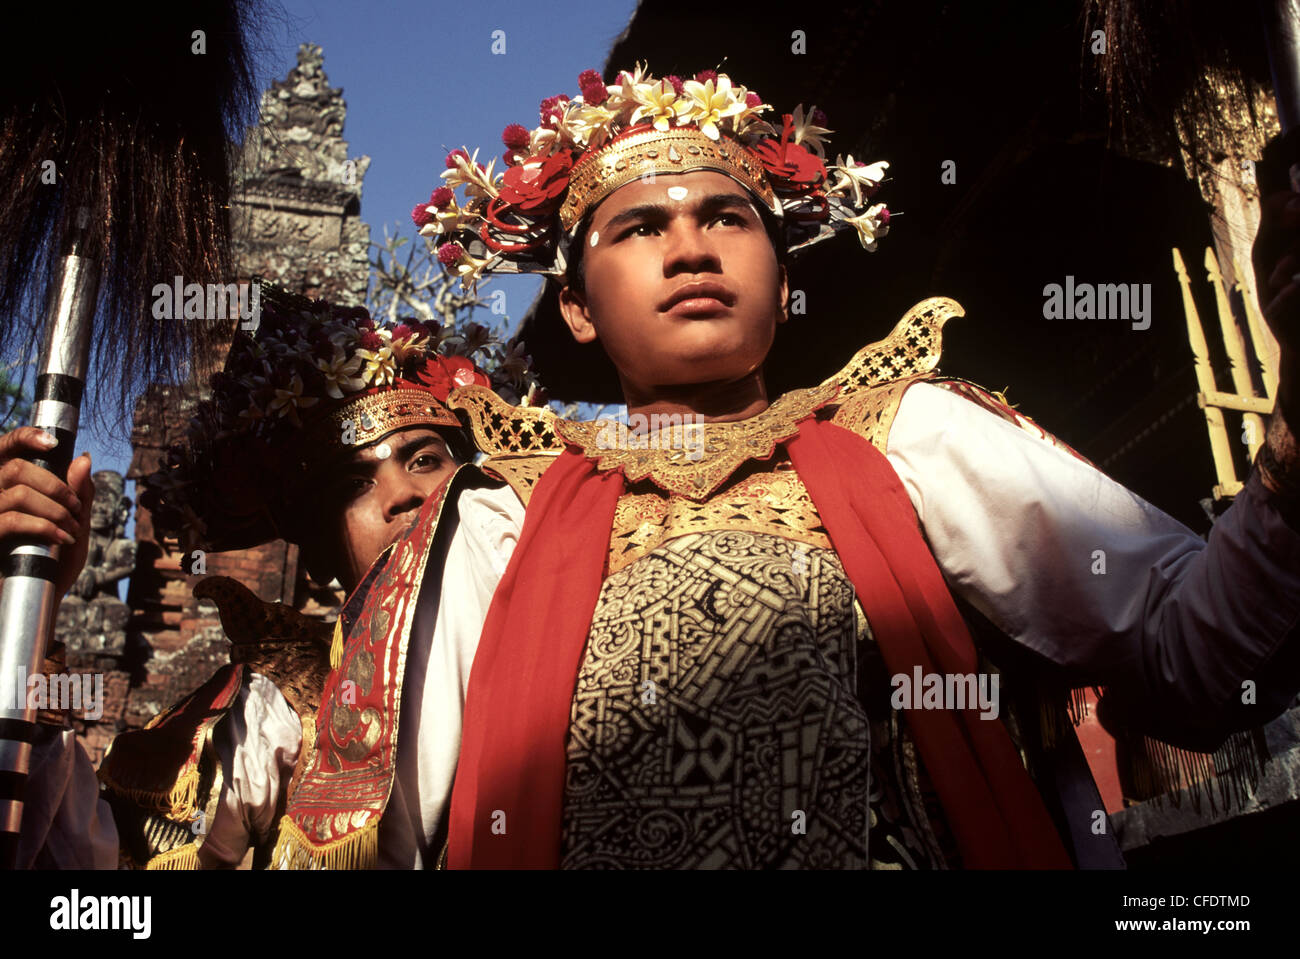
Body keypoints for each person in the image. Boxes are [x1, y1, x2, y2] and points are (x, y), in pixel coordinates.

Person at [260, 66, 1300, 869]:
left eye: (725, 216)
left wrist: (1293, 444)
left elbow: (1193, 653)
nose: (690, 247)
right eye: (640, 227)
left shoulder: (911, 436)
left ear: (780, 270)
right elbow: (369, 836)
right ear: (576, 304)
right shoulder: (498, 520)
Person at [5, 286, 510, 868]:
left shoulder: (579, 606)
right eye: (353, 484)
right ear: (317, 558)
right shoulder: (277, 712)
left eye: (425, 460)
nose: (405, 496)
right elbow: (92, 872)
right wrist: (22, 615)